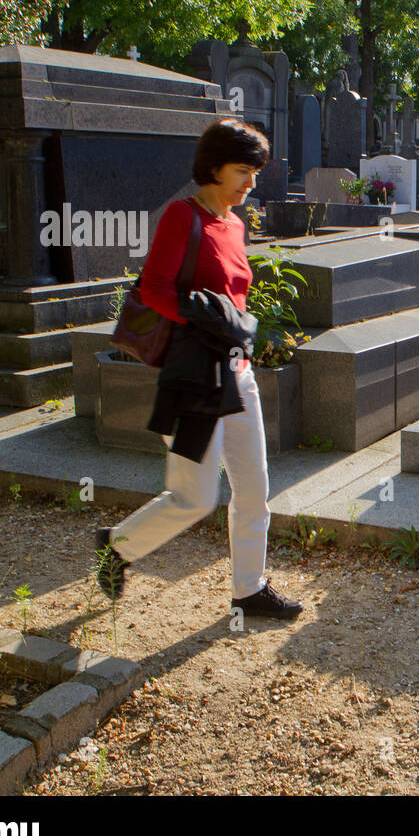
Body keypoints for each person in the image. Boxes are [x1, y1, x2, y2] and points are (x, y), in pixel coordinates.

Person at [94, 118, 303, 621]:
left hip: (239, 374)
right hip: (193, 377)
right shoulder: (180, 216)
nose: (251, 183)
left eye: (255, 172)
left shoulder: (235, 223)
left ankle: (249, 590)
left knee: (254, 489)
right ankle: (115, 546)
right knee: (194, 497)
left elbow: (234, 293)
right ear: (212, 168)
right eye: (241, 171)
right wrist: (200, 313)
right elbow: (154, 290)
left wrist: (233, 326)